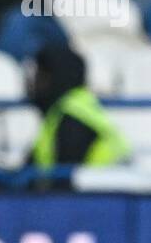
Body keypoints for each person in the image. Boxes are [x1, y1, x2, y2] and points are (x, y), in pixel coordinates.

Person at [27, 44, 128, 176]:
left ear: (57, 78)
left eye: (40, 75)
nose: (33, 83)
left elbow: (64, 180)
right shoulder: (66, 110)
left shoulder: (73, 120)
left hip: (100, 193)